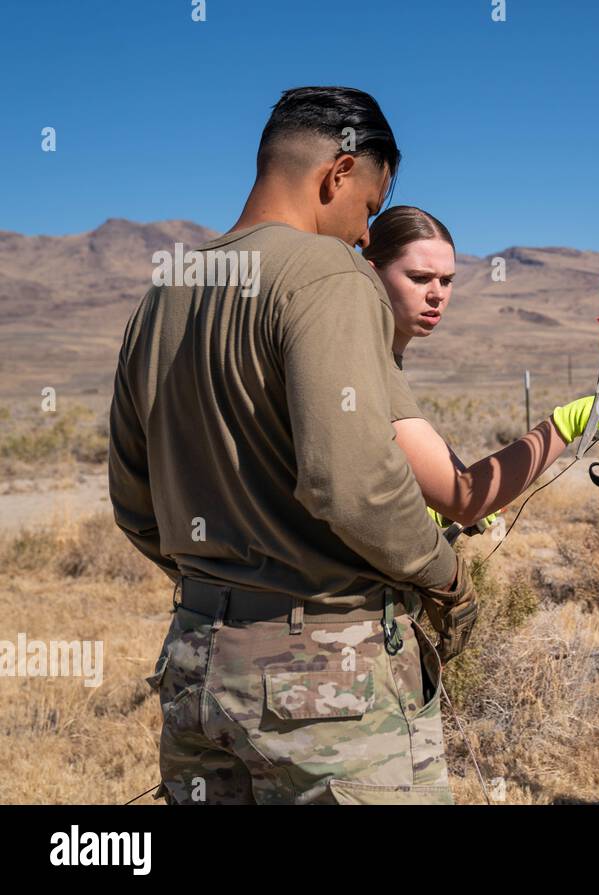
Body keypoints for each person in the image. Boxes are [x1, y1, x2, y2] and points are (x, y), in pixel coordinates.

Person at [111, 87, 465, 805]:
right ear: (337, 173)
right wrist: (442, 574)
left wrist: (223, 582)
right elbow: (353, 483)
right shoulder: (327, 275)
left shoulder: (166, 292)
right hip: (323, 687)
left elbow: (135, 502)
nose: (367, 235)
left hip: (195, 666)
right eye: (369, 207)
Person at [361, 206, 599, 533]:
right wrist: (567, 423)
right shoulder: (366, 363)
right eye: (419, 278)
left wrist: (430, 509)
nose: (437, 294)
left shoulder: (378, 356)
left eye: (446, 280)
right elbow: (466, 497)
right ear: (370, 274)